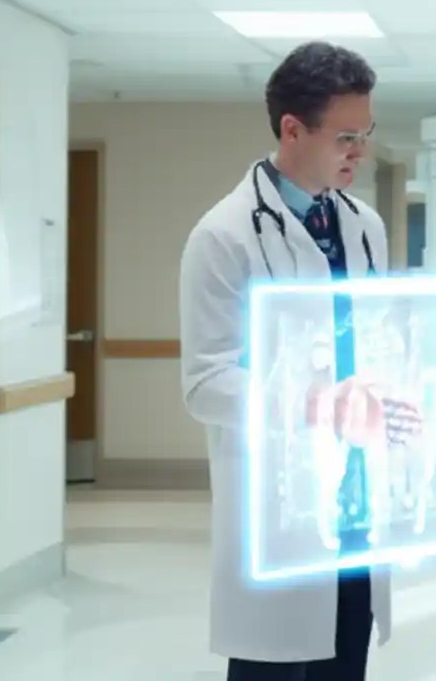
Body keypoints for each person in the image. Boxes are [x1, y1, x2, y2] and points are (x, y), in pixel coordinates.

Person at [179, 41, 391, 681]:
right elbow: (205, 381)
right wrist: (314, 404)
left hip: (356, 498)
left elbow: (372, 341)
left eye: (366, 134)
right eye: (346, 137)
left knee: (344, 662)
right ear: (293, 130)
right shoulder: (224, 235)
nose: (360, 151)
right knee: (274, 666)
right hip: (280, 505)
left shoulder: (364, 226)